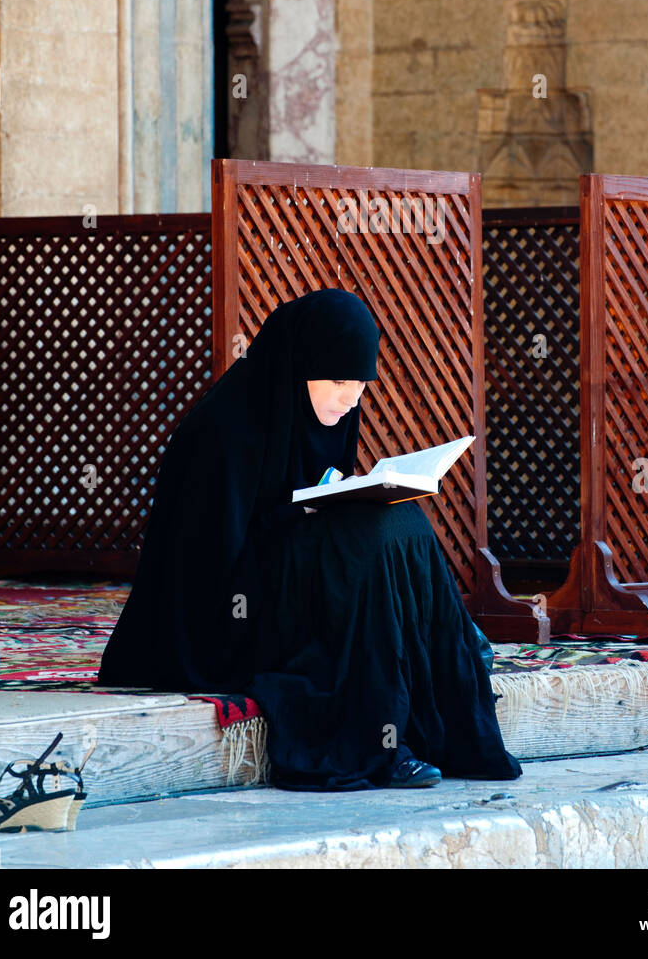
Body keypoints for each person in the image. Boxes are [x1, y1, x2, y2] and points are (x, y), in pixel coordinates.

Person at [98, 288, 521, 792]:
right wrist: (308, 522)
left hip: (292, 569)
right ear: (298, 366)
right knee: (361, 541)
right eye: (340, 380)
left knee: (399, 521)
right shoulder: (221, 431)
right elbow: (205, 561)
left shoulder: (326, 413)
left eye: (361, 383)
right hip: (224, 612)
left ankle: (451, 653)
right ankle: (380, 743)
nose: (351, 398)